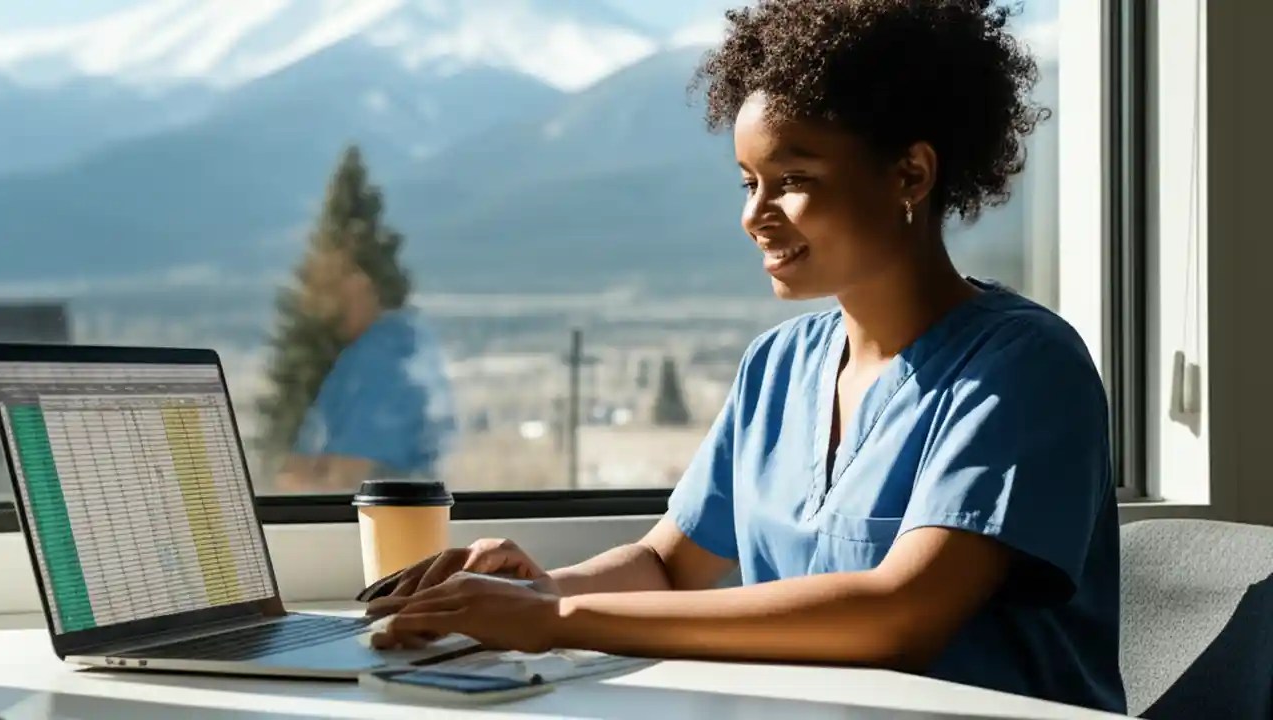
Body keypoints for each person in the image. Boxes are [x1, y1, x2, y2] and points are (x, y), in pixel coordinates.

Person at [363, 0, 1125, 713]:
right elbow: (666, 566)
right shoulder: (778, 367)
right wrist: (526, 591)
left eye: (793, 181)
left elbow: (900, 616)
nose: (754, 217)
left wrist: (558, 616)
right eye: (748, 182)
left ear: (910, 174)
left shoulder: (1022, 369)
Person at [277, 244, 456, 492]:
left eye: (333, 289)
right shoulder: (372, 351)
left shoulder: (381, 358)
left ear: (365, 288)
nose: (324, 305)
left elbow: (350, 473)